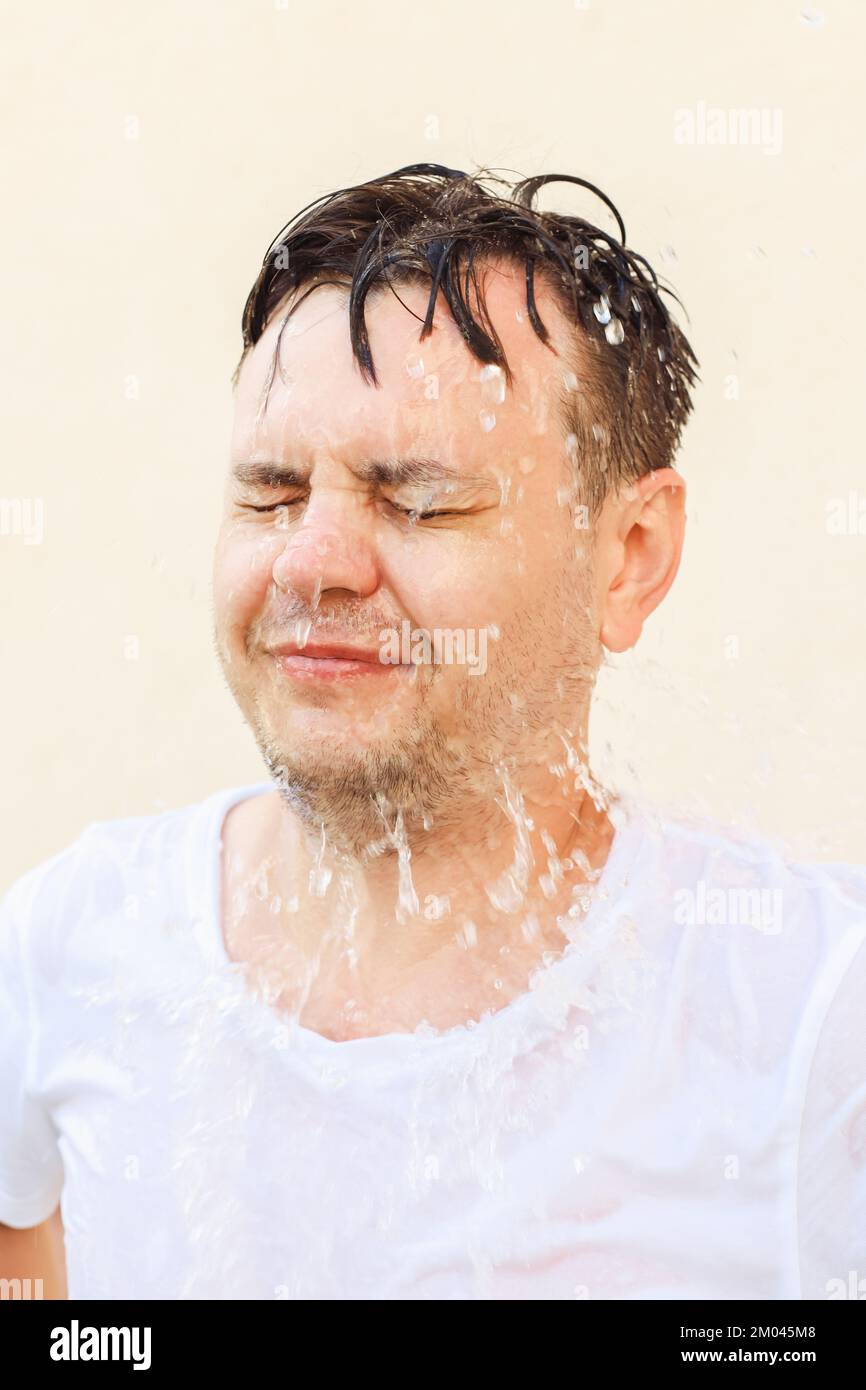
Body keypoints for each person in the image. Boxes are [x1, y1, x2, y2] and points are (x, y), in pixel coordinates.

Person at [1, 164, 863, 1301]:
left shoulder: (813, 1012)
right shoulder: (68, 952)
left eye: (418, 500)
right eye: (268, 493)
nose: (309, 561)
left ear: (630, 554)